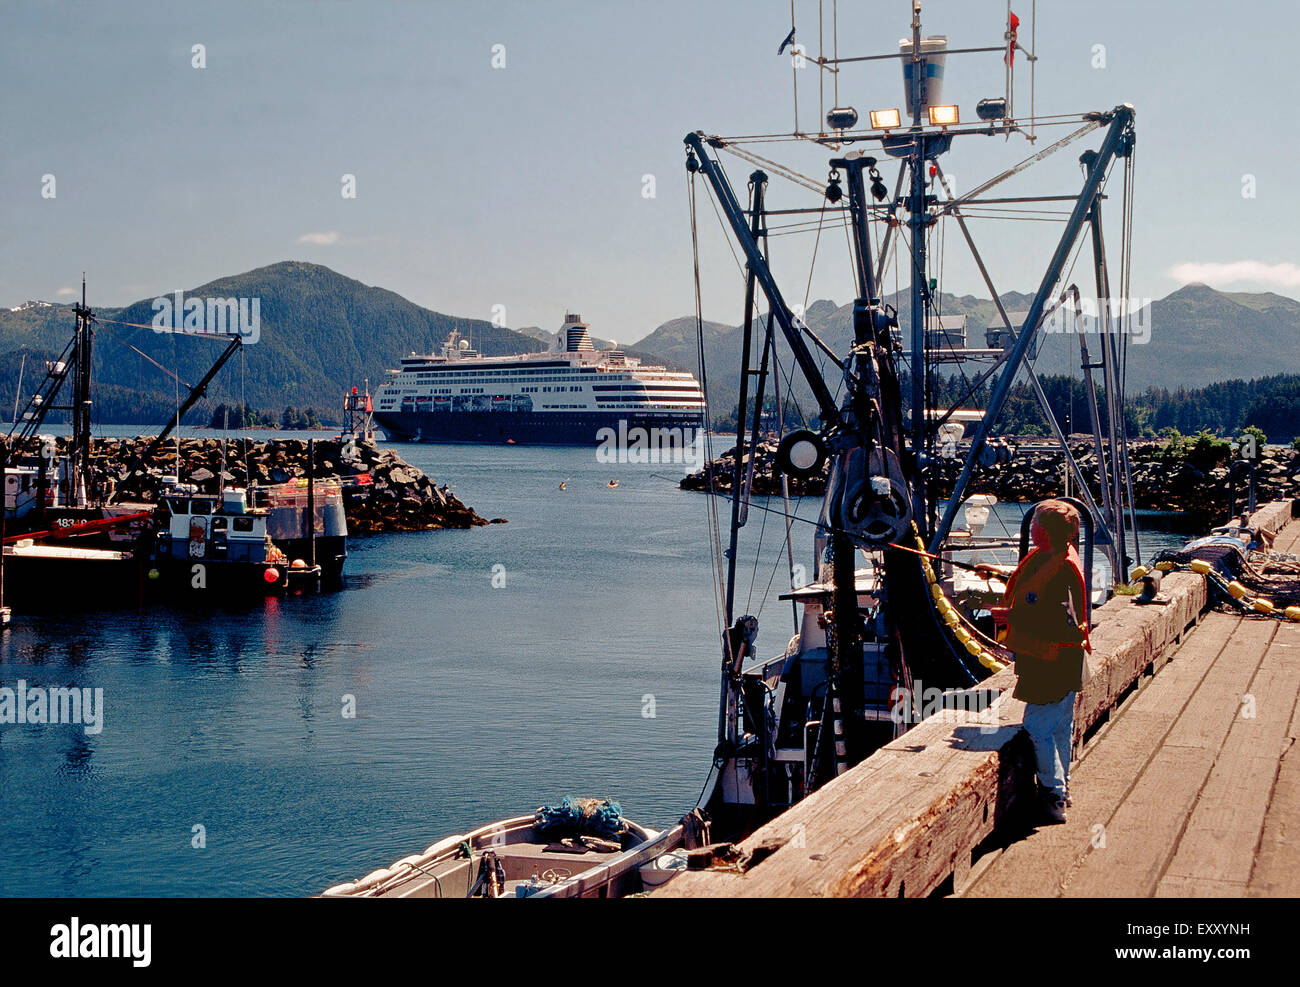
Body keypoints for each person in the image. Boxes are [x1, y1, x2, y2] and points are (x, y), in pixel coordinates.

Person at [1000, 499, 1092, 824]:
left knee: (1037, 727)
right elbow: (1037, 595)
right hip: (1060, 659)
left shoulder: (1063, 567)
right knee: (1060, 727)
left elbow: (1061, 621)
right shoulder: (1054, 557)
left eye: (1036, 522)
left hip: (1053, 661)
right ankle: (1062, 789)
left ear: (1046, 532)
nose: (1031, 527)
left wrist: (1014, 615)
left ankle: (1053, 796)